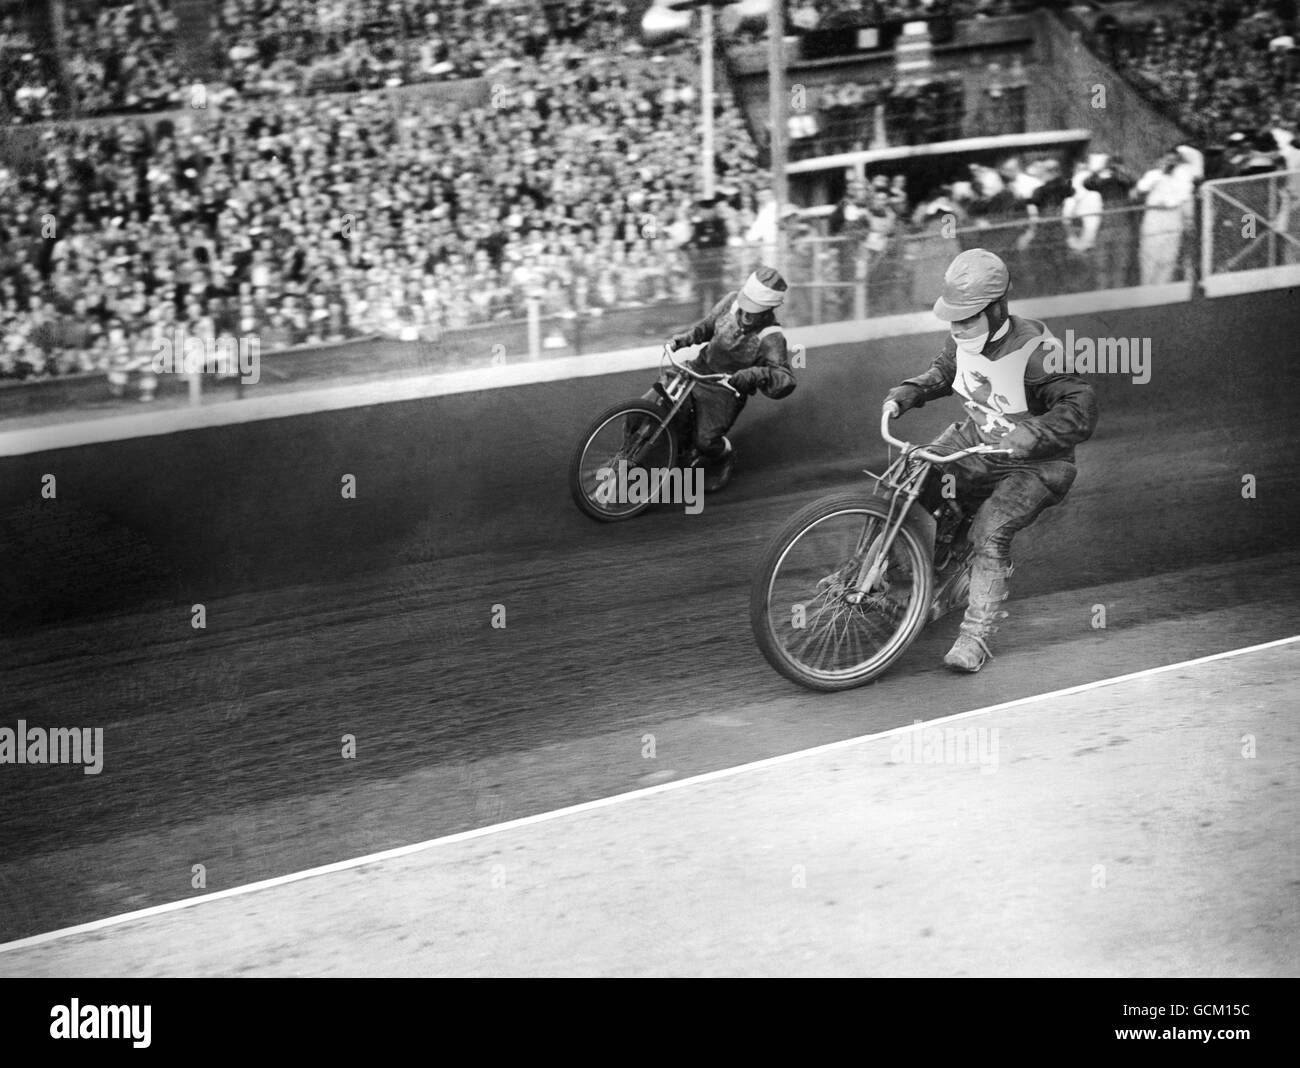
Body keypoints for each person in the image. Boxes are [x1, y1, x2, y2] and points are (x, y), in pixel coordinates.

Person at [881, 248, 1098, 673]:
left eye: (967, 319)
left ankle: (975, 637)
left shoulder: (1038, 351)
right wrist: (911, 391)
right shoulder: (963, 339)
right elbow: (945, 371)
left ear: (997, 309)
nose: (957, 328)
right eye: (953, 319)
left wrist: (1033, 433)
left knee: (990, 530)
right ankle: (869, 576)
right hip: (978, 443)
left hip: (1038, 465)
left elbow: (1081, 409)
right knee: (906, 477)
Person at [656, 266, 797, 492]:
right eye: (746, 304)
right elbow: (706, 327)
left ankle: (725, 455)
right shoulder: (731, 302)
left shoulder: (771, 338)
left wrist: (754, 374)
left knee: (705, 441)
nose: (746, 314)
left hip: (725, 390)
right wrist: (684, 340)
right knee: (657, 401)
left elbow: (785, 379)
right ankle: (635, 452)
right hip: (698, 368)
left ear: (769, 310)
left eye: (755, 310)